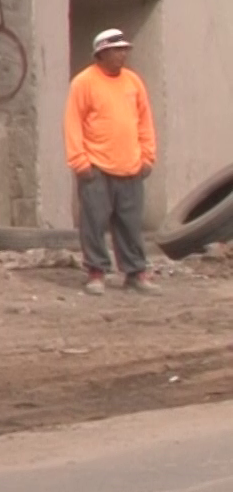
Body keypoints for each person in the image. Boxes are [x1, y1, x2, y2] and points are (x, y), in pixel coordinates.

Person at [65, 28, 159, 295]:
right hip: (96, 168)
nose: (122, 54)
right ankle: (96, 273)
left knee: (130, 224)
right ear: (101, 53)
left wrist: (148, 156)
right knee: (94, 223)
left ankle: (135, 273)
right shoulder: (84, 83)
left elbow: (145, 121)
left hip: (131, 166)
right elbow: (72, 123)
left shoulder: (133, 82)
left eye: (124, 49)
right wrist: (79, 161)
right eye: (117, 50)